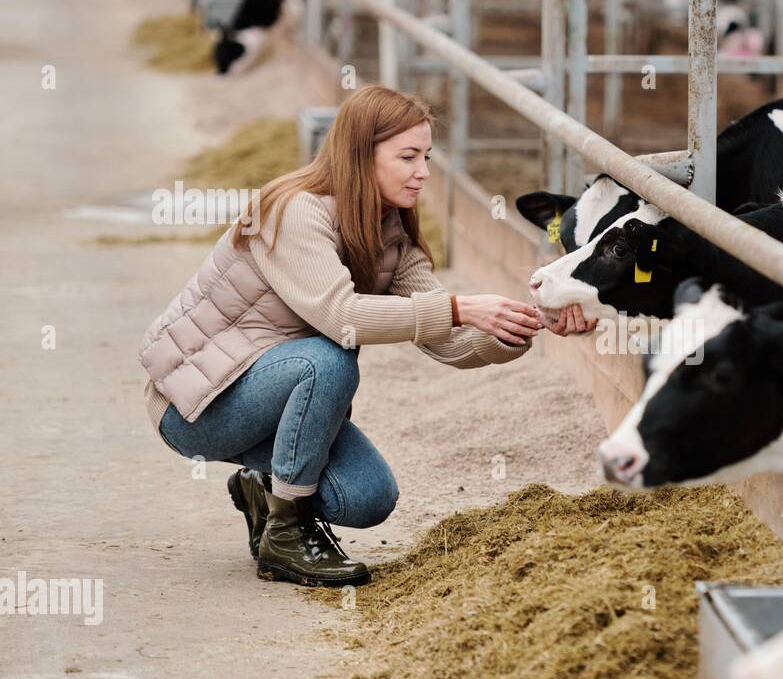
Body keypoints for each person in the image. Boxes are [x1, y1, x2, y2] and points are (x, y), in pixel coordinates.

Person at [139, 85, 591, 587]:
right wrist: (460, 307)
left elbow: (448, 342)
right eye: (407, 157)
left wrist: (521, 324)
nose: (423, 171)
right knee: (330, 357)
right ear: (361, 155)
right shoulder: (294, 211)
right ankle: (285, 542)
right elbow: (343, 317)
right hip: (199, 407)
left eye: (426, 156)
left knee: (368, 497)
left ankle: (262, 492)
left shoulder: (388, 228)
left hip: (274, 397)